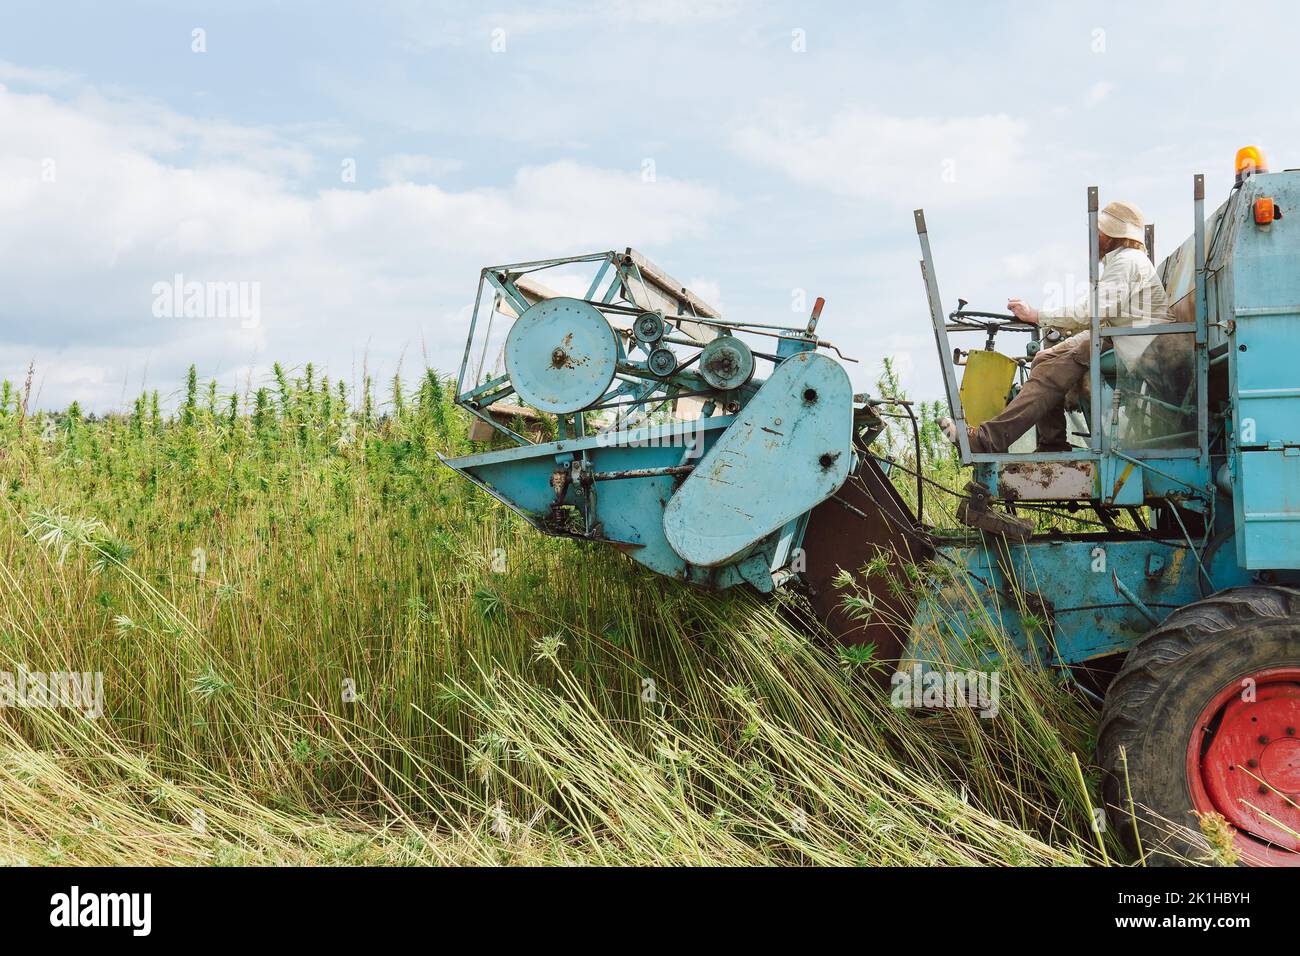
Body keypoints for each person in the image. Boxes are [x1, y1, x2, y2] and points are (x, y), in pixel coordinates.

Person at [941, 200, 1172, 454]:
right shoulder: (1124, 262)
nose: (1094, 237)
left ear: (1111, 234)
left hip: (1140, 346)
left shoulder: (1127, 262)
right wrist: (1054, 349)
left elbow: (1090, 314)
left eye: (1098, 231)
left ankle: (987, 441)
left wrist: (1036, 315)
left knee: (1055, 367)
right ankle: (1052, 443)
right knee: (1042, 360)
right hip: (1124, 339)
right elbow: (1102, 322)